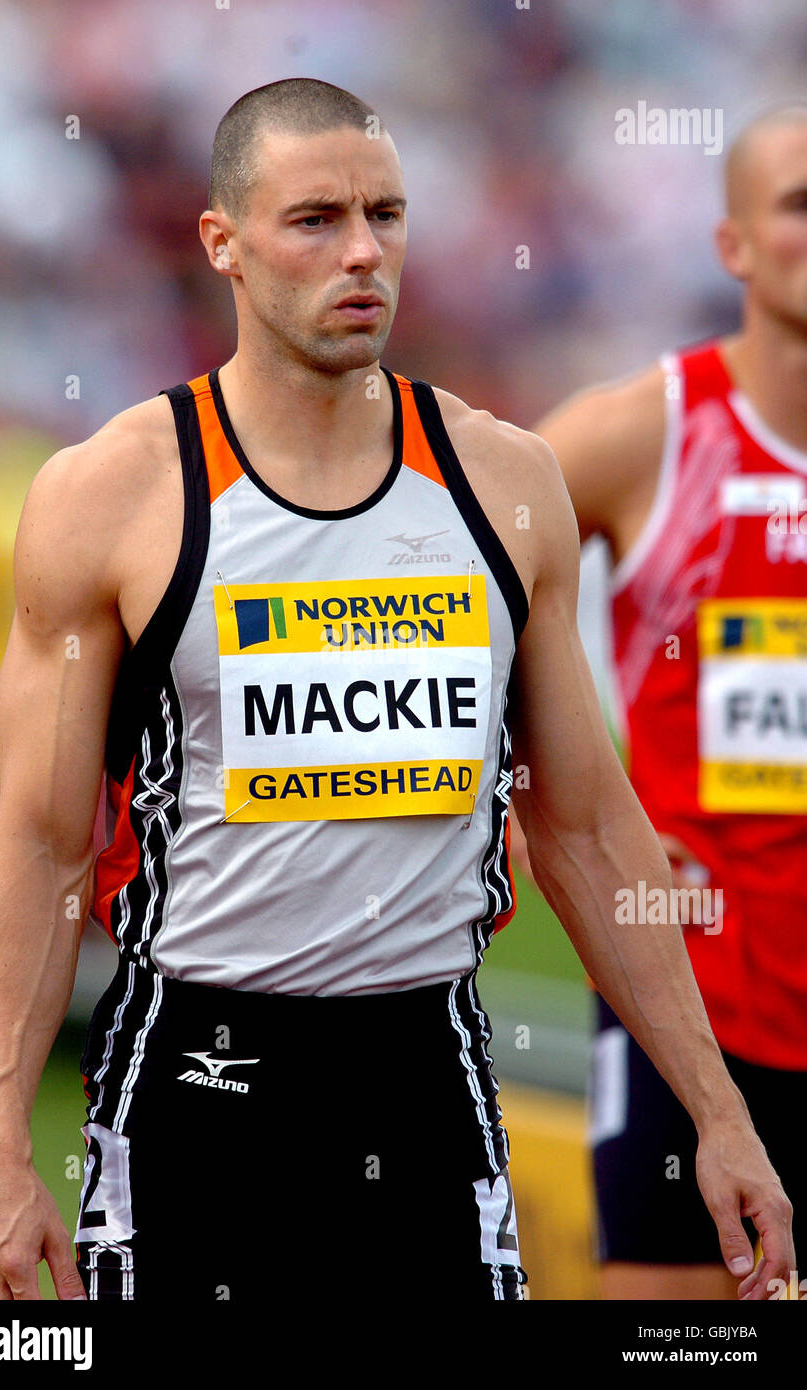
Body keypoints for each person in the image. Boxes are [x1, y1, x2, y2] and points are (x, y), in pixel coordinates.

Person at [0, 79, 793, 1305]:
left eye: (385, 213)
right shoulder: (117, 494)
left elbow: (584, 825)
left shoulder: (501, 482)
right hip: (199, 1072)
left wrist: (714, 1113)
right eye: (314, 220)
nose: (361, 251)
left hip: (424, 1076)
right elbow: (36, 847)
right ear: (222, 245)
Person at [518, 104, 807, 1300]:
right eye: (799, 202)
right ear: (730, 244)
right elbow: (457, 575)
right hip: (698, 1009)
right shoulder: (643, 434)